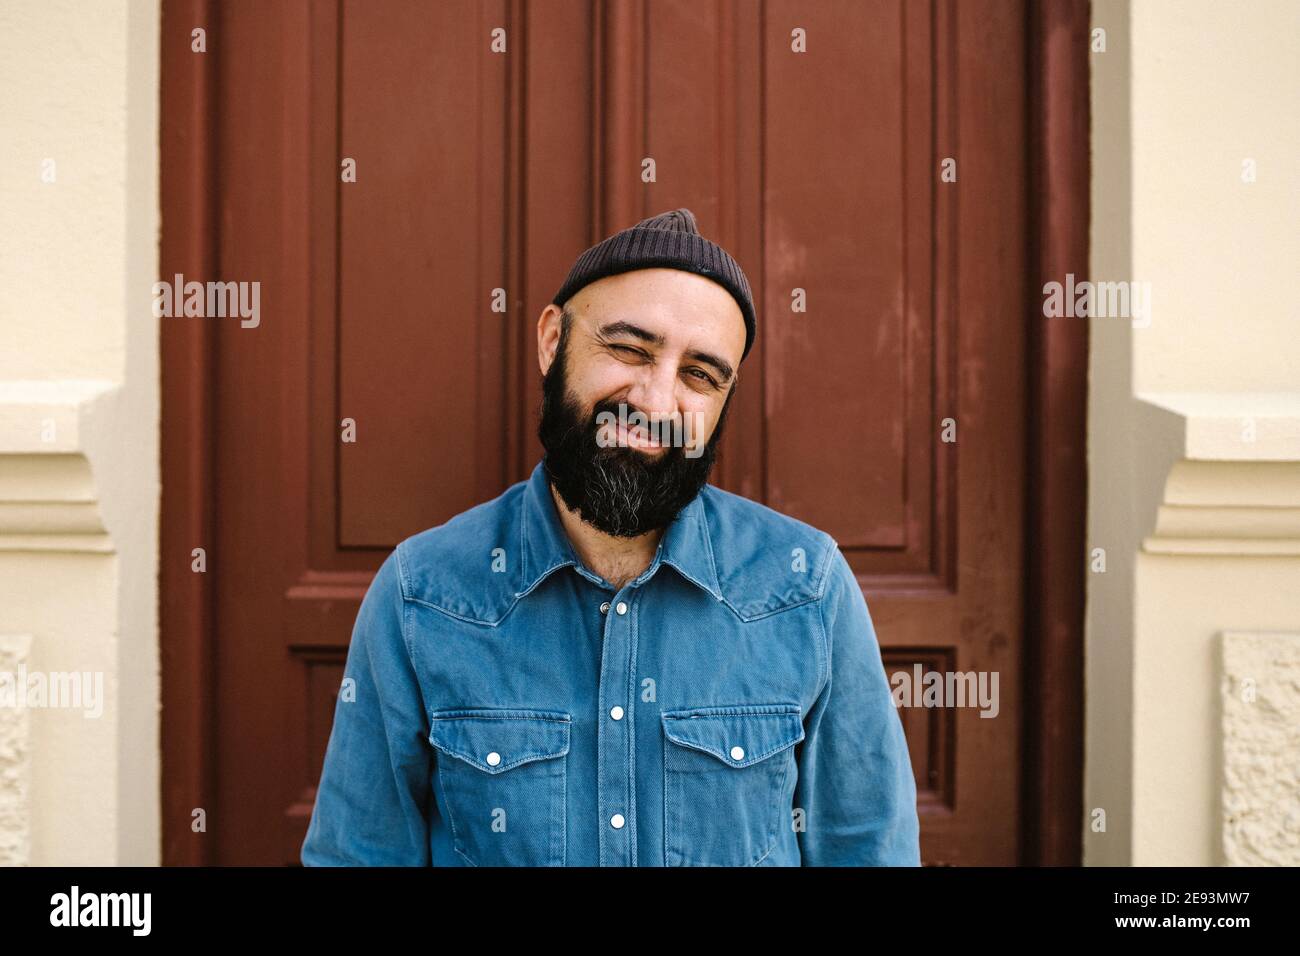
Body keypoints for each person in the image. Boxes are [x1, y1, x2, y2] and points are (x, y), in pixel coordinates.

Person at [301, 208, 921, 866]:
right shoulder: (423, 593)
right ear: (552, 341)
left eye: (700, 376)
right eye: (629, 349)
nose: (655, 403)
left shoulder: (806, 587)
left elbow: (868, 848)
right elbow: (357, 854)